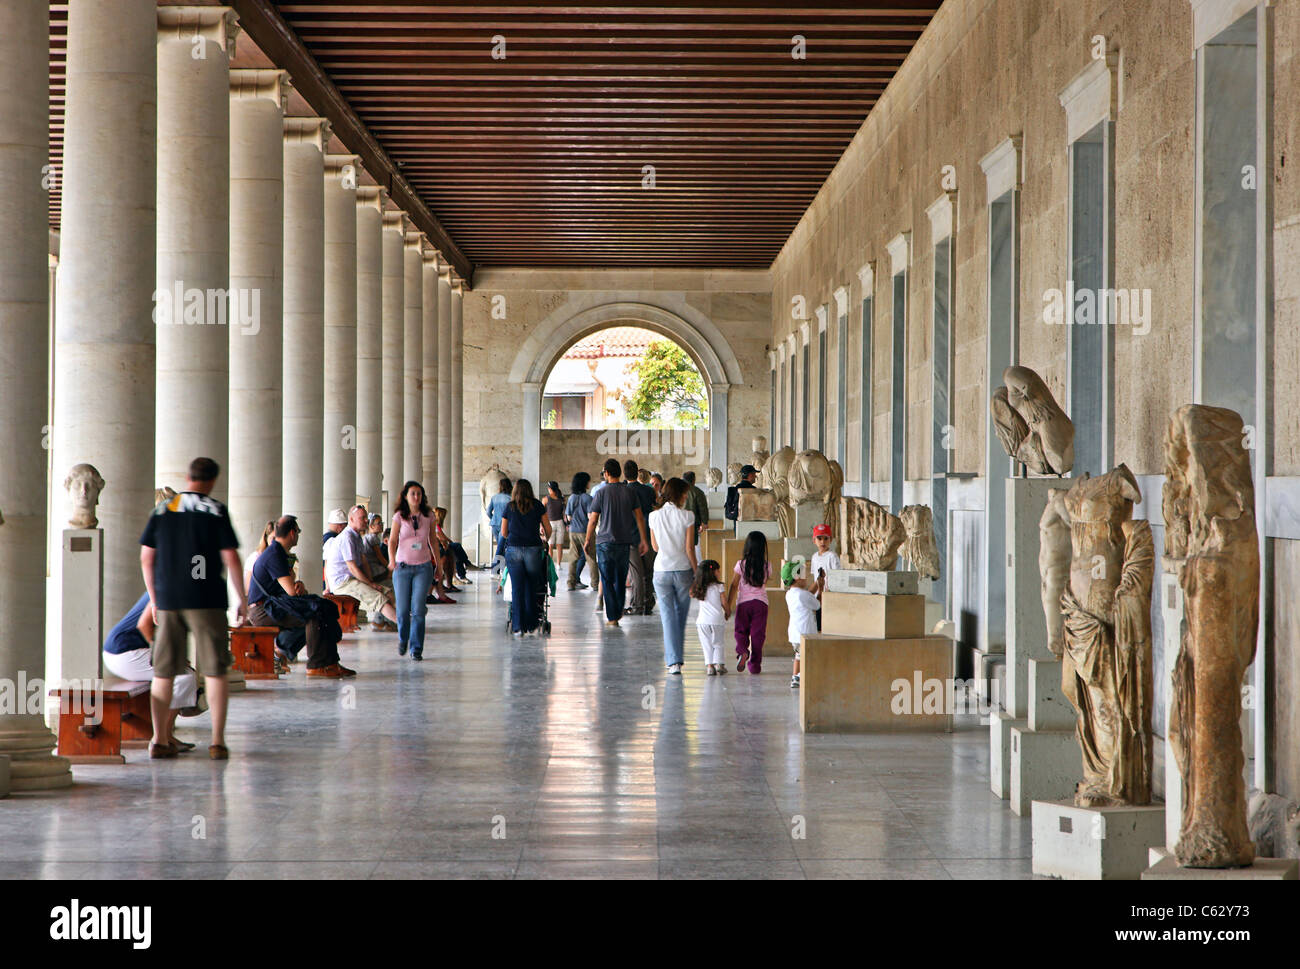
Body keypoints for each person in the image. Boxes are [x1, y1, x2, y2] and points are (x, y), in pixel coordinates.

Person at [139, 457, 248, 760]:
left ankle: (159, 739)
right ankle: (217, 741)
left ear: (188, 477)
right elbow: (231, 557)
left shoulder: (162, 510)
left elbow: (147, 558)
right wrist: (242, 598)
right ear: (213, 481)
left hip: (171, 598)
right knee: (214, 671)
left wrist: (155, 598)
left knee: (163, 672)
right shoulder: (215, 510)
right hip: (206, 598)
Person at [248, 515, 352, 677]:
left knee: (321, 607)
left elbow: (290, 588)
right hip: (262, 610)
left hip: (272, 605)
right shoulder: (274, 554)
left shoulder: (278, 552)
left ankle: (330, 663)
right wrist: (297, 588)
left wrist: (299, 585)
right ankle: (317, 665)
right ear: (292, 533)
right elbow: (291, 591)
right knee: (315, 614)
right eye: (298, 532)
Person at [102, 591, 200, 751]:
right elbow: (144, 624)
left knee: (183, 672)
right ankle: (164, 736)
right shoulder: (165, 588)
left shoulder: (166, 583)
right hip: (125, 653)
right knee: (186, 677)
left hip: (123, 652)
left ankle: (165, 734)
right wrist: (162, 652)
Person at [584, 458, 649, 627]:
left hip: (604, 542)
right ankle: (617, 611)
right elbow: (640, 517)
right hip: (624, 542)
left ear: (606, 473)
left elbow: (593, 520)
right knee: (620, 579)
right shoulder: (629, 492)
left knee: (606, 579)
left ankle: (612, 616)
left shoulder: (601, 493)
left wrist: (587, 539)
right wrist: (643, 539)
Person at [648, 477, 698, 674]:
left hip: (661, 571)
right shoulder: (688, 516)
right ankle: (677, 658)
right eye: (684, 493)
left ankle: (673, 662)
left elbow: (654, 546)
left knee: (667, 616)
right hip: (683, 570)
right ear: (679, 494)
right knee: (680, 616)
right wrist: (697, 572)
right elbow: (689, 549)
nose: (686, 496)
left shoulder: (653, 516)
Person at [388, 481, 440, 660]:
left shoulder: (429, 516)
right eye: (413, 493)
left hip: (423, 568)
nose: (416, 497)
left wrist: (438, 566)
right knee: (402, 610)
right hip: (402, 567)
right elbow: (392, 540)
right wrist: (391, 560)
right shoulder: (399, 517)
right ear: (405, 496)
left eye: (419, 493)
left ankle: (416, 649)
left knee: (418, 609)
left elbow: (433, 541)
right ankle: (403, 638)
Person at [327, 504, 401, 628]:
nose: (366, 520)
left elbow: (364, 561)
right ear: (351, 520)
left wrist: (371, 581)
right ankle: (407, 627)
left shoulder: (357, 537)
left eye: (366, 517)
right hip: (343, 582)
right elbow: (352, 567)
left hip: (354, 579)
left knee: (388, 594)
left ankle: (388, 622)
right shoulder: (347, 537)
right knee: (379, 599)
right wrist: (370, 584)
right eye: (362, 518)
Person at [501, 478, 551, 635]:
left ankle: (517, 627)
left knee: (517, 588)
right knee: (531, 586)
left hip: (514, 549)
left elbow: (504, 532)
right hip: (533, 549)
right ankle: (531, 624)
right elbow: (548, 528)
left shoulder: (509, 507)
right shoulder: (537, 505)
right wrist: (545, 539)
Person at [726, 530, 771, 674]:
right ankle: (755, 665)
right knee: (758, 634)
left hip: (743, 604)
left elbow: (733, 585)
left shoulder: (741, 565)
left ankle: (742, 651)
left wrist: (727, 605)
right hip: (761, 604)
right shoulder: (767, 565)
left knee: (741, 630)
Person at [624, 459, 657, 614]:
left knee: (636, 572)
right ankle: (648, 603)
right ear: (637, 472)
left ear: (625, 474)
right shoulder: (649, 490)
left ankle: (637, 605)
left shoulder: (624, 491)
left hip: (631, 536)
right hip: (649, 535)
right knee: (649, 571)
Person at [783, 560, 822, 689]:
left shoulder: (790, 594)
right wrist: (820, 589)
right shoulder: (803, 595)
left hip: (794, 635)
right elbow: (816, 604)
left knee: (799, 656)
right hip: (805, 634)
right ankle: (800, 676)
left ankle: (795, 677)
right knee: (808, 658)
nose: (806, 578)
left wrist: (816, 583)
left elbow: (807, 596)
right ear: (797, 578)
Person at [691, 559, 729, 676]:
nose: (719, 572)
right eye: (718, 570)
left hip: (702, 621)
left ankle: (710, 667)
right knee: (718, 643)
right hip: (717, 620)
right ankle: (720, 665)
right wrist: (728, 611)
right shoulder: (719, 586)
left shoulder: (699, 587)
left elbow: (691, 593)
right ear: (713, 572)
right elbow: (724, 602)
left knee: (706, 644)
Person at [809, 522, 841, 631]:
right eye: (819, 538)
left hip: (829, 596)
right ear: (814, 540)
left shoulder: (832, 556)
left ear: (830, 540)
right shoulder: (814, 557)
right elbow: (815, 578)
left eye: (826, 538)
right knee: (819, 625)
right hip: (818, 597)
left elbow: (837, 576)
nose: (823, 542)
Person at [564, 472, 593, 590]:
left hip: (573, 531)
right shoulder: (588, 498)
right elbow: (591, 516)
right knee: (591, 558)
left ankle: (571, 583)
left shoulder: (571, 498)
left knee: (573, 558)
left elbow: (568, 517)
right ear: (584, 483)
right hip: (585, 531)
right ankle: (595, 584)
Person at [682, 470, 710, 554]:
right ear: (694, 480)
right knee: (691, 546)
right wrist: (704, 522)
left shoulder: (678, 491)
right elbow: (703, 508)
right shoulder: (697, 492)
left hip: (678, 522)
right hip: (693, 523)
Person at [487, 477, 512, 562]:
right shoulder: (510, 498)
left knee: (500, 546)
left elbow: (488, 511)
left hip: (494, 524)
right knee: (502, 547)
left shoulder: (494, 497)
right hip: (504, 525)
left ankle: (502, 567)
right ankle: (497, 569)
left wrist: (493, 518)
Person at [545, 481, 566, 572]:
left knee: (550, 545)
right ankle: (558, 564)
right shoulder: (561, 499)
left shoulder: (546, 499)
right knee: (559, 545)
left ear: (550, 489)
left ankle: (551, 564)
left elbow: (543, 512)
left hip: (551, 523)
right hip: (560, 522)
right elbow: (564, 512)